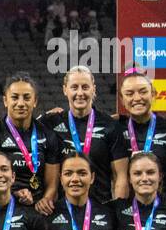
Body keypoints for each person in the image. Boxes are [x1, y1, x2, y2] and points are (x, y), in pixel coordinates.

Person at [0, 74, 60, 216]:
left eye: (27, 98)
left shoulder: (47, 135)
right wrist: (14, 194)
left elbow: (52, 184)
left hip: (38, 212)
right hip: (5, 211)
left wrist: (46, 200)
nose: (21, 103)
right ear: (5, 100)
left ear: (35, 101)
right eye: (15, 97)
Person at [44, 66, 125, 204]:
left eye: (85, 87)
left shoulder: (110, 125)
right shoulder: (51, 124)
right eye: (74, 87)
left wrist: (118, 213)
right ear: (65, 90)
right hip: (63, 214)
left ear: (93, 88)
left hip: (101, 213)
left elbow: (120, 176)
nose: (80, 93)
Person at [111, 68, 166, 195]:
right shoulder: (114, 129)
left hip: (164, 210)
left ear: (153, 94)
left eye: (143, 92)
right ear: (122, 100)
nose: (137, 98)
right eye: (129, 93)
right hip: (126, 211)